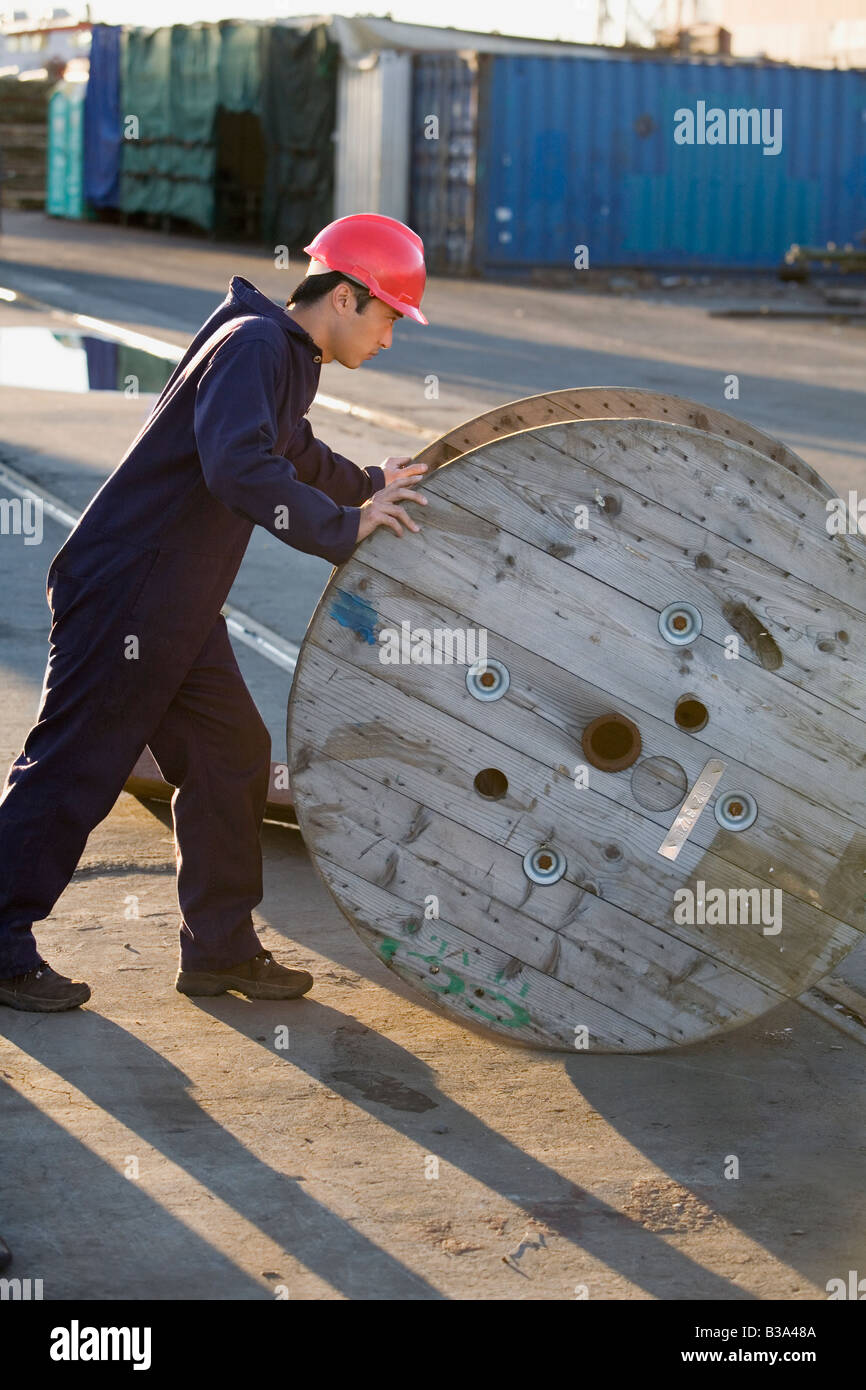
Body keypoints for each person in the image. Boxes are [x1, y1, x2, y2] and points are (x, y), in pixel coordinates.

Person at [0, 212, 429, 1013]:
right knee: (75, 767)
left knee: (232, 751)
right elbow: (240, 469)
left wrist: (369, 482)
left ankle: (220, 951)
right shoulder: (257, 347)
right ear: (344, 295)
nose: (390, 339)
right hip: (129, 591)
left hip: (178, 598)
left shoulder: (280, 351)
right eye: (389, 318)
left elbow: (291, 452)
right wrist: (343, 529)